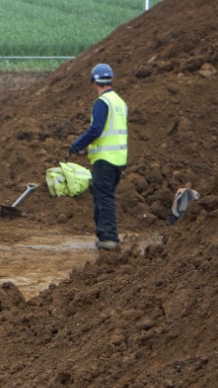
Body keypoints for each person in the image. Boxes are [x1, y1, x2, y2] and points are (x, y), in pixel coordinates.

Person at [69, 63, 128, 250]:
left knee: (104, 198)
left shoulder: (102, 103)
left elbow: (96, 129)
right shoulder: (120, 102)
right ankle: (104, 236)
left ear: (94, 81)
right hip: (118, 159)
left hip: (105, 159)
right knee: (103, 197)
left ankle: (109, 238)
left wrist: (77, 145)